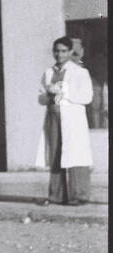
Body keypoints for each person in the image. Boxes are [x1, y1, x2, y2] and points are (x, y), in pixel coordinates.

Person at [35, 37, 94, 206]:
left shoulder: (80, 72)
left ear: (69, 52)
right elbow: (40, 98)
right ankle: (56, 195)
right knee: (55, 155)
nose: (59, 54)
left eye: (63, 51)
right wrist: (48, 94)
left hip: (72, 118)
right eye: (57, 51)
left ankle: (79, 195)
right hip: (54, 118)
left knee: (76, 154)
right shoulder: (48, 73)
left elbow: (87, 97)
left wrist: (64, 92)